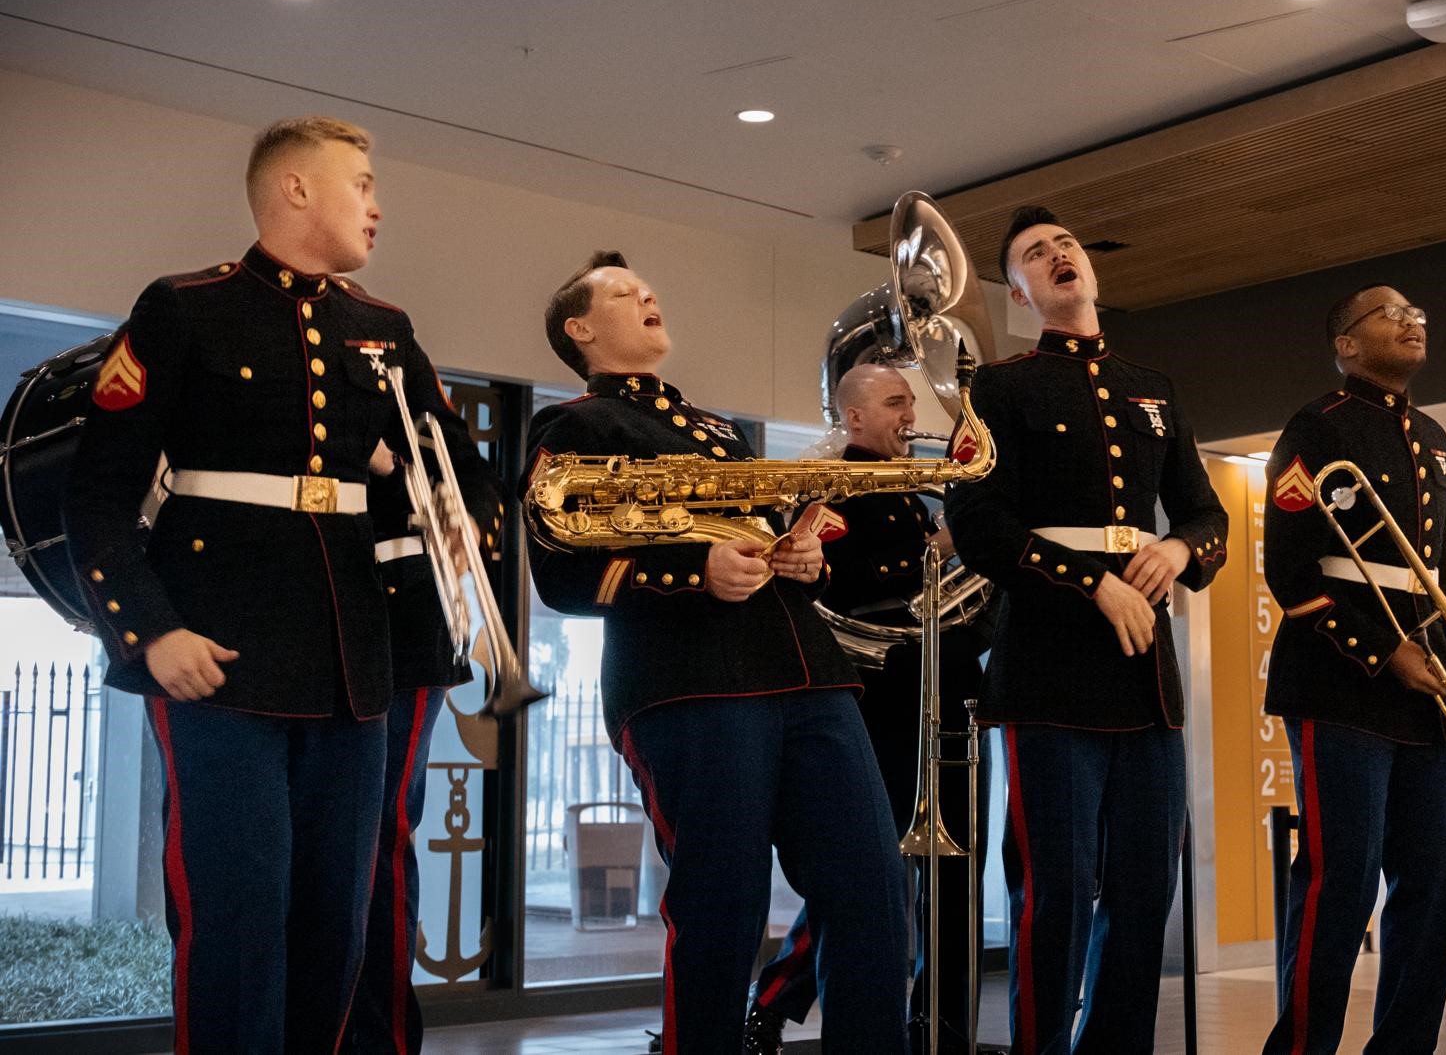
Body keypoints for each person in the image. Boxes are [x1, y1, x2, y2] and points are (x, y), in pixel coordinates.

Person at [63, 115, 489, 1054]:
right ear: (295, 188)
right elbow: (95, 498)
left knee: (338, 928)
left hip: (354, 669)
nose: (378, 206)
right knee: (238, 923)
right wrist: (149, 632)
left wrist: (454, 518)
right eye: (362, 183)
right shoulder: (186, 307)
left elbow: (462, 472)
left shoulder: (383, 329)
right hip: (219, 659)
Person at [522, 251, 910, 1055]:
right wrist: (692, 571)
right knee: (722, 908)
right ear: (580, 329)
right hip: (689, 684)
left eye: (647, 285)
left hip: (808, 673)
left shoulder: (719, 431)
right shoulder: (574, 426)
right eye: (622, 292)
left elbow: (762, 541)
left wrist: (803, 558)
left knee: (873, 885)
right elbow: (560, 572)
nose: (647, 293)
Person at [944, 205, 1229, 1054]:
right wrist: (1092, 583)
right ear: (1020, 293)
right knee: (1057, 892)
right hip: (1048, 673)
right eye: (1036, 254)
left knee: (1145, 891)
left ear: (1090, 268)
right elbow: (979, 525)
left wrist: (1177, 549)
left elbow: (1207, 515)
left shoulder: (1155, 388)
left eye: (1065, 244)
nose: (1058, 254)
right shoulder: (996, 390)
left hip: (1146, 680)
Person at [746, 364, 992, 1055]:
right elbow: (836, 585)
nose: (910, 415)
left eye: (911, 401)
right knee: (868, 871)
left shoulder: (916, 490)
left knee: (950, 874)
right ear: (853, 417)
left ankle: (939, 1027)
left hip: (942, 687)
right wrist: (935, 550)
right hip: (876, 695)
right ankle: (773, 1000)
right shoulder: (830, 488)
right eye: (894, 402)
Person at [1260, 284, 1446, 1055]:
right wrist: (1384, 651)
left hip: (1428, 687)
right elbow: (1289, 571)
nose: (1413, 320)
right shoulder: (1317, 425)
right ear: (1346, 343)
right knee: (1341, 881)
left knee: (1432, 888)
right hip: (1339, 681)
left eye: (1417, 312)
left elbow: (1439, 574)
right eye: (1391, 314)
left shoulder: (1435, 435)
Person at [343, 421, 506, 1052]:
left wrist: (468, 519)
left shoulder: (399, 373)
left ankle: (382, 1039)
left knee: (383, 839)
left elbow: (471, 469)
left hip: (405, 623)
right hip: (299, 611)